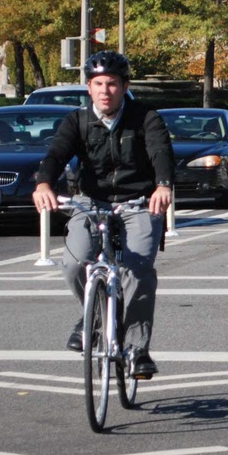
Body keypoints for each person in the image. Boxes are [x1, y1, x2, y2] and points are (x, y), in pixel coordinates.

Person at [33, 52, 175, 380]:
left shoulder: (146, 118)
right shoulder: (77, 121)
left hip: (137, 203)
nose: (105, 91)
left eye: (111, 84)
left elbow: (160, 152)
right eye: (98, 84)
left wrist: (163, 185)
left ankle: (137, 348)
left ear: (124, 87)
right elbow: (56, 154)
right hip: (91, 202)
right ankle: (94, 318)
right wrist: (43, 183)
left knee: (138, 269)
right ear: (89, 87)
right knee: (74, 263)